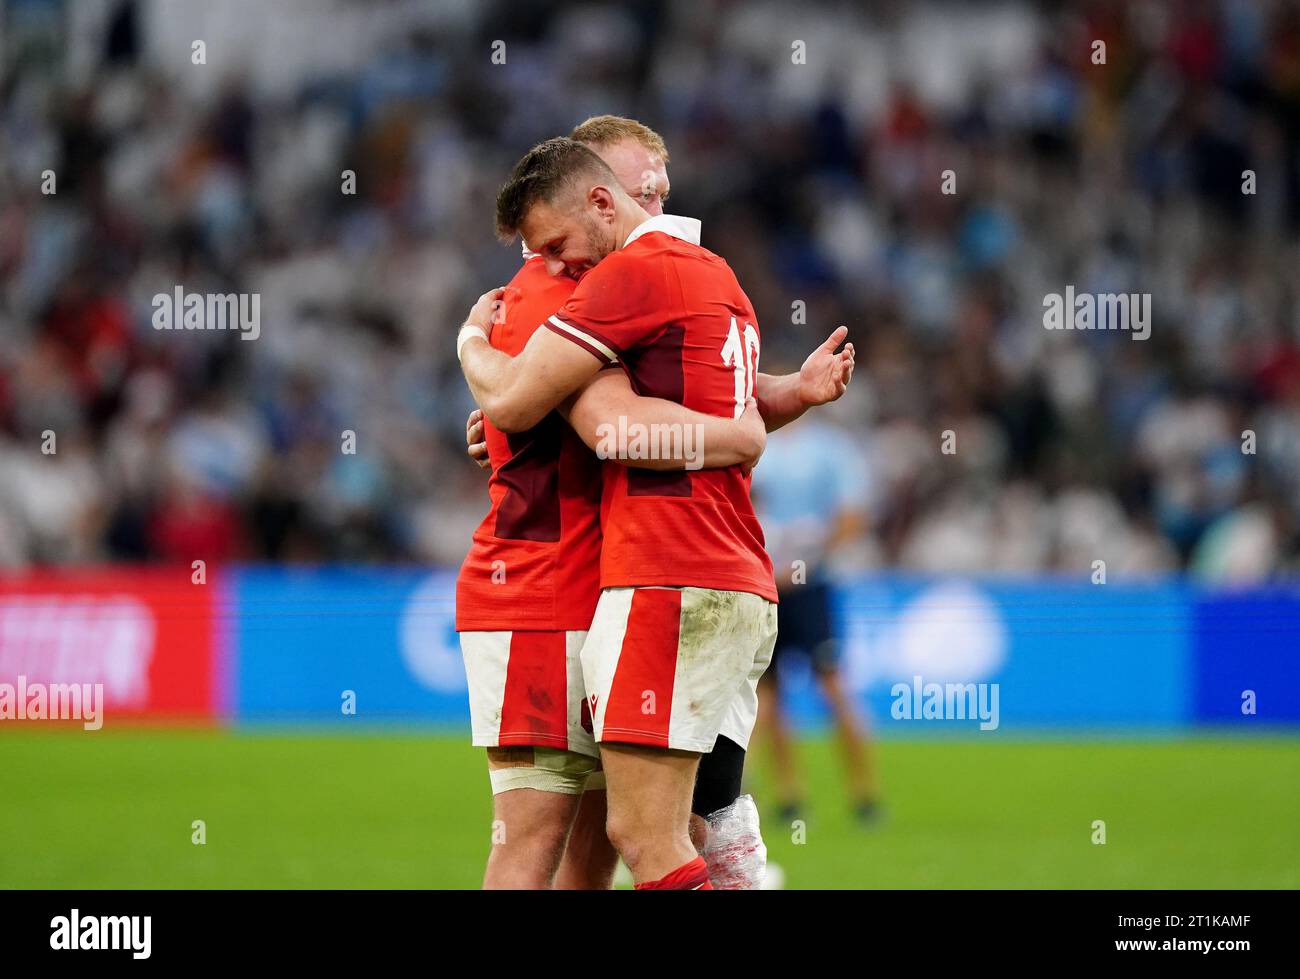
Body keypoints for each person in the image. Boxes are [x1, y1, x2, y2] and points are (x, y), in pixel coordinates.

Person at [457, 137, 854, 888]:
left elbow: (607, 425)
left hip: (631, 582)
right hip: (707, 574)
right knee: (658, 832)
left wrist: (471, 341)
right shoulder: (709, 274)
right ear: (599, 182)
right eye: (646, 180)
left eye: (662, 184)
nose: (660, 196)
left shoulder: (624, 275)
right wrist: (770, 409)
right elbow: (683, 397)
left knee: (613, 836)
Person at [751, 411, 882, 824]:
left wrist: (805, 562)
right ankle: (790, 795)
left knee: (832, 687)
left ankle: (865, 792)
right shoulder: (754, 439)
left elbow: (851, 517)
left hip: (810, 586)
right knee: (767, 695)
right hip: (765, 585)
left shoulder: (830, 448)